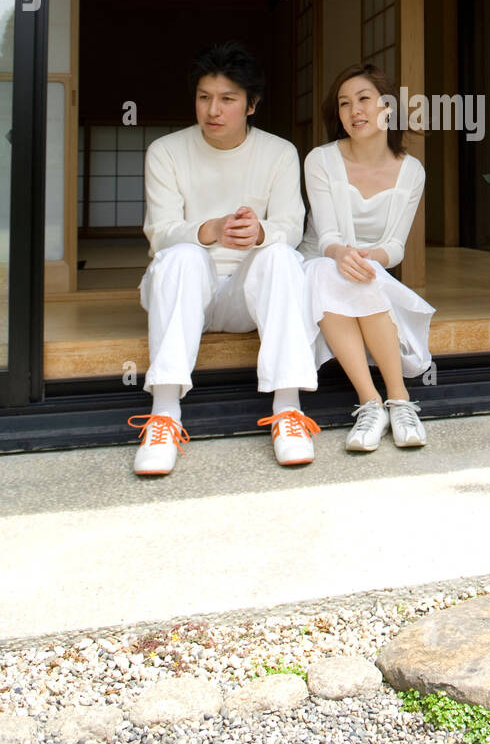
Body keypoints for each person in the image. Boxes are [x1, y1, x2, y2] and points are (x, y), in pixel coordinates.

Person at [129, 41, 320, 476]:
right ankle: (164, 416)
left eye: (227, 99)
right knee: (181, 255)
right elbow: (160, 233)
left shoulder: (279, 152)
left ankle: (288, 410)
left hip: (244, 298)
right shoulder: (166, 151)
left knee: (281, 256)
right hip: (181, 290)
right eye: (204, 97)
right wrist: (208, 230)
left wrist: (260, 232)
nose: (212, 110)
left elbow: (291, 227)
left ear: (252, 105)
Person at [299, 62, 435, 453]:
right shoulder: (321, 160)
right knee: (330, 270)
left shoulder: (411, 171)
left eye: (363, 99)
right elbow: (328, 237)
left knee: (364, 272)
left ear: (387, 107)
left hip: (370, 271)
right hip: (319, 263)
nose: (354, 111)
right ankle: (373, 402)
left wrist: (365, 257)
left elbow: (395, 247)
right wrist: (344, 255)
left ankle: (399, 401)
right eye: (344, 104)